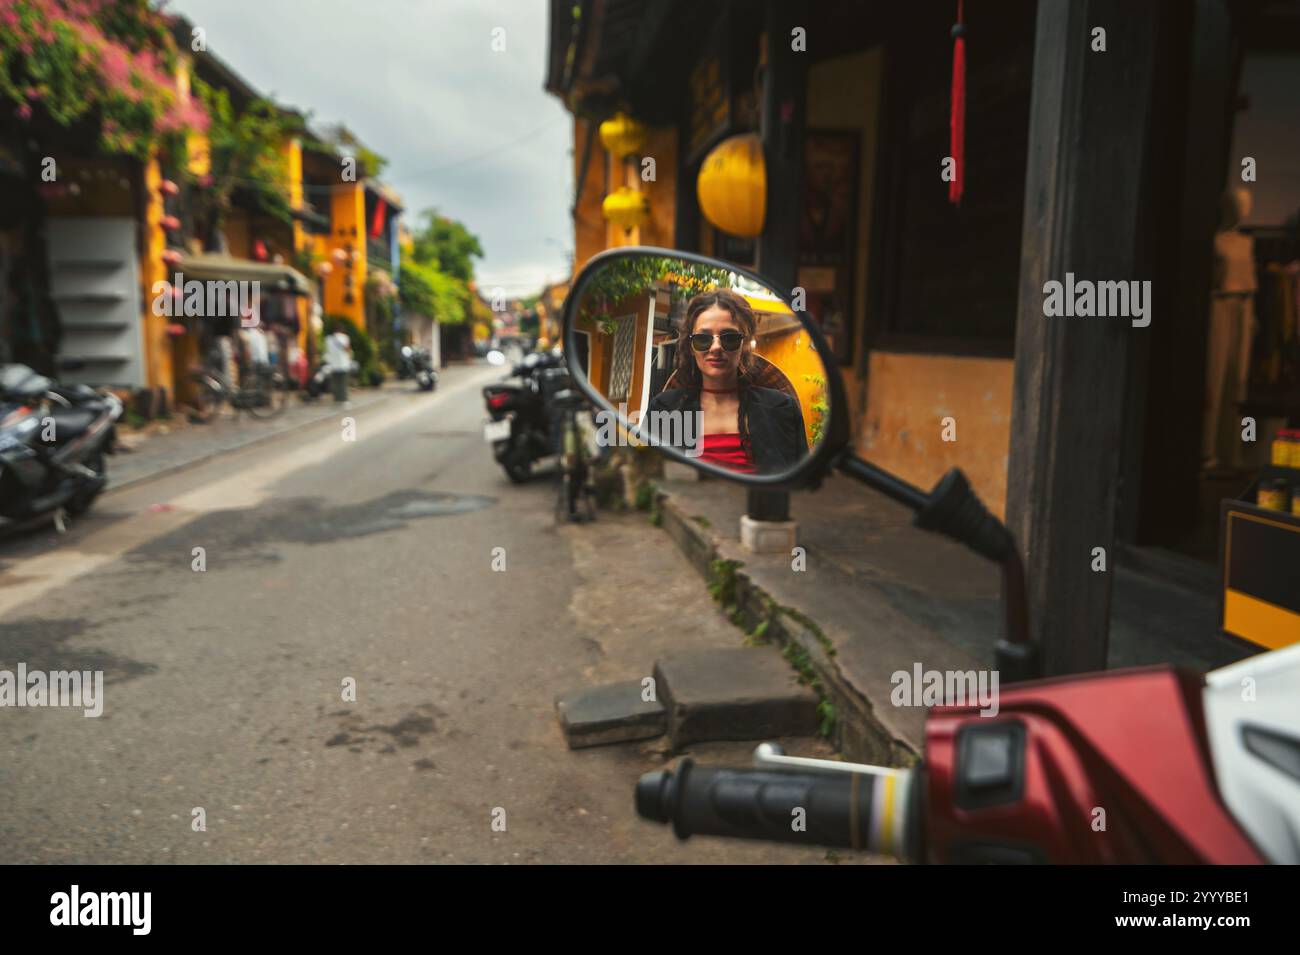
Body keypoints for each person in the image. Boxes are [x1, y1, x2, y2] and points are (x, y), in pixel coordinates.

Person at [643, 288, 807, 474]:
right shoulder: (665, 409)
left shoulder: (782, 409)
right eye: (702, 339)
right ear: (690, 347)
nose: (715, 347)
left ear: (745, 345)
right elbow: (647, 483)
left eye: (729, 338)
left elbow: (802, 485)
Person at [324, 327, 352, 404]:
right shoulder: (345, 337)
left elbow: (327, 351)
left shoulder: (328, 339)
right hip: (343, 364)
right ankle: (343, 399)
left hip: (333, 364)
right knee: (343, 383)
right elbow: (347, 349)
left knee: (335, 383)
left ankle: (336, 399)